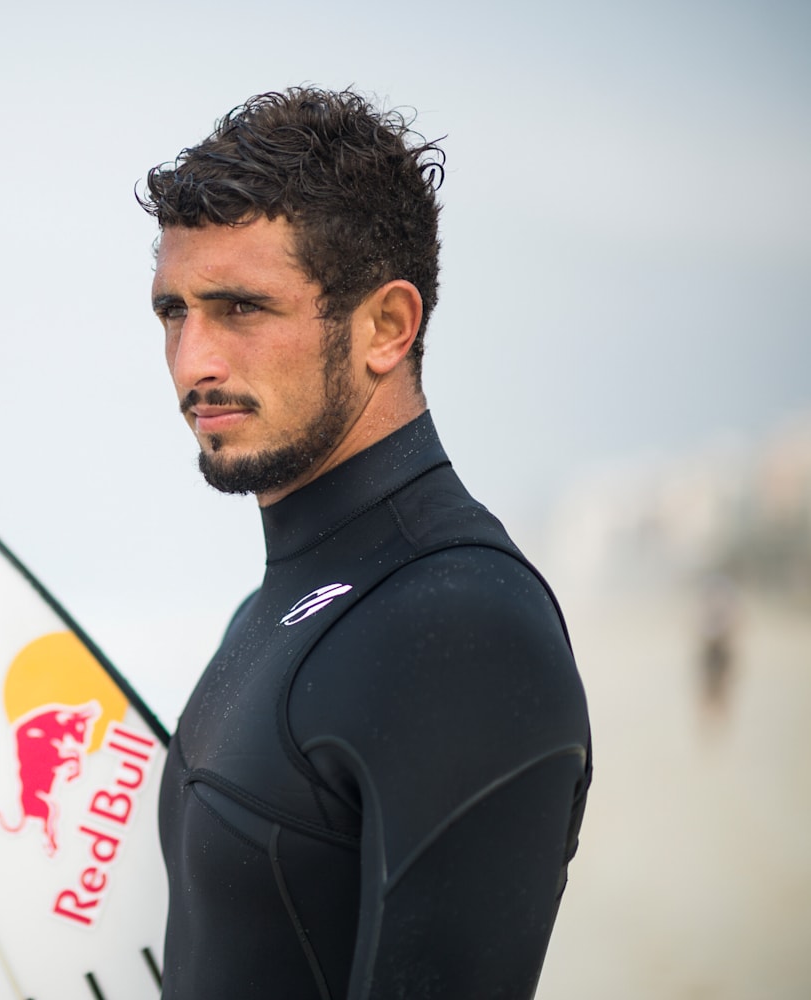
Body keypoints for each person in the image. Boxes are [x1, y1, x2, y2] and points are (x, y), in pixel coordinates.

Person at [141, 88, 592, 999]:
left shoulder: (458, 625)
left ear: (387, 326)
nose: (193, 361)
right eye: (174, 312)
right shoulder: (275, 608)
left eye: (241, 308)